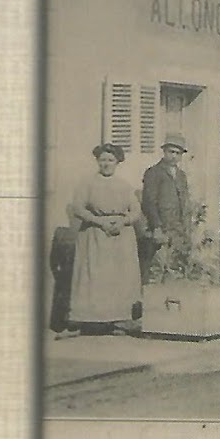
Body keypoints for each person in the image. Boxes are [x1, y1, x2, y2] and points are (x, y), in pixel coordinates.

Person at [65, 143, 143, 336]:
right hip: (95, 236)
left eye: (110, 160)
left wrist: (124, 221)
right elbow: (78, 208)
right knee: (94, 276)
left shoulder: (124, 185)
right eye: (102, 160)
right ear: (97, 162)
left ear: (117, 162)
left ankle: (119, 321)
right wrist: (98, 221)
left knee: (118, 277)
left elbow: (136, 210)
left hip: (120, 237)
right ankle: (87, 320)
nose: (106, 164)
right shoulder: (87, 184)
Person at [140, 133, 190, 283]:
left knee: (176, 267)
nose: (174, 156)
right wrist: (156, 227)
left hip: (178, 228)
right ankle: (152, 303)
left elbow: (184, 201)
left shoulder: (181, 175)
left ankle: (173, 303)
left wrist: (186, 227)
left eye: (178, 153)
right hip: (162, 227)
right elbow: (149, 202)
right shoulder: (153, 173)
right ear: (164, 152)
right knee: (157, 267)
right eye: (171, 152)